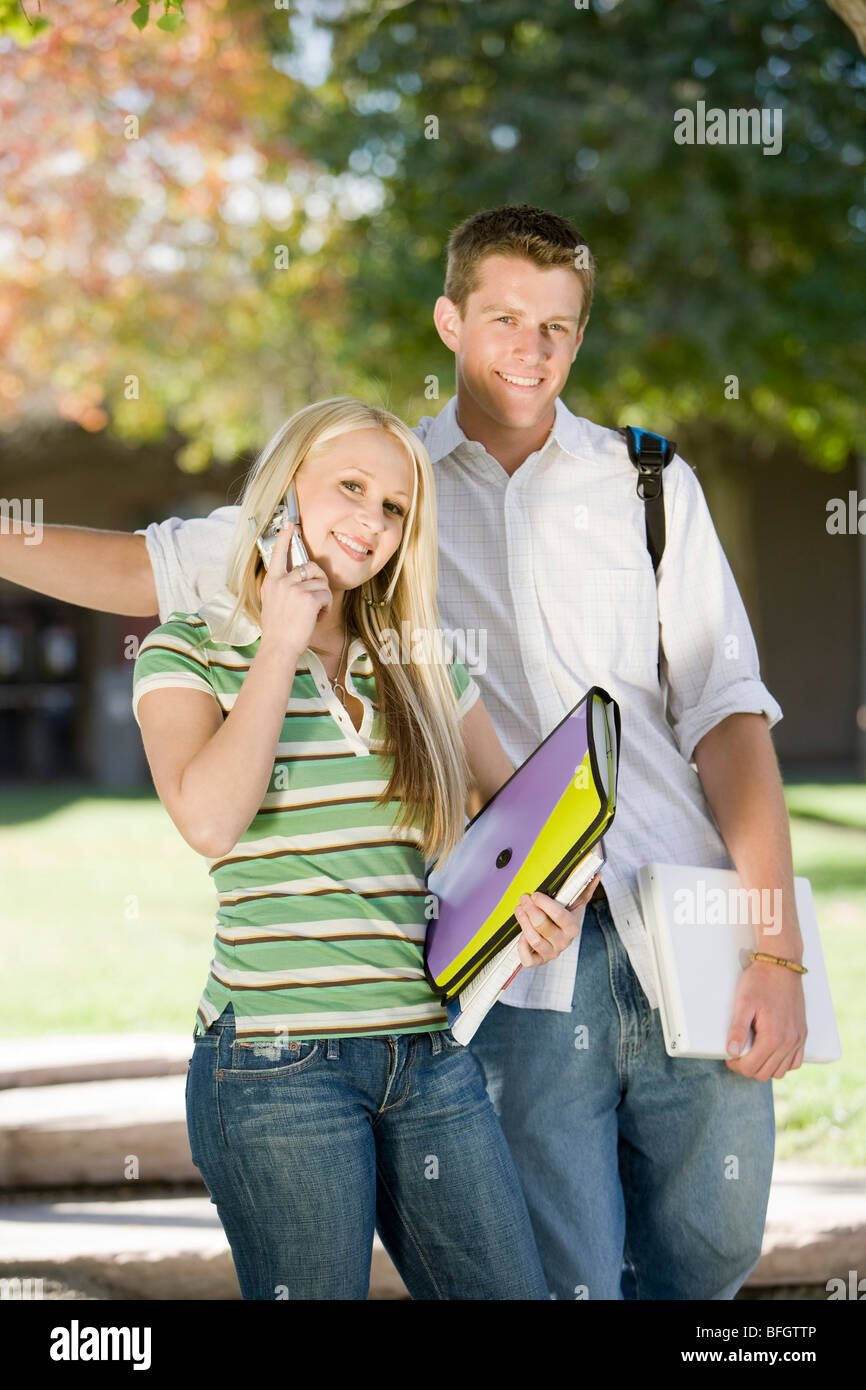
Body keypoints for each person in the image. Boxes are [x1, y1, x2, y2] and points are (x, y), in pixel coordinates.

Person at [0, 204, 806, 1301]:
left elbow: (725, 713)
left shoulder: (644, 483)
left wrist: (775, 947)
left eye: (557, 326)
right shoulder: (378, 485)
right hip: (515, 969)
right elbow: (143, 568)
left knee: (711, 1256)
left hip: (678, 913)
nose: (530, 348)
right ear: (448, 320)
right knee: (566, 1273)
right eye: (504, 317)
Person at [129, 394, 597, 1301]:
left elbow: (522, 822)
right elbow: (210, 822)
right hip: (274, 1067)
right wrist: (281, 640)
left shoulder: (419, 658)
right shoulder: (184, 650)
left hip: (427, 1055)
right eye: (349, 486)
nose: (371, 521)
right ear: (283, 488)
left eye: (394, 507)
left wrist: (554, 910)